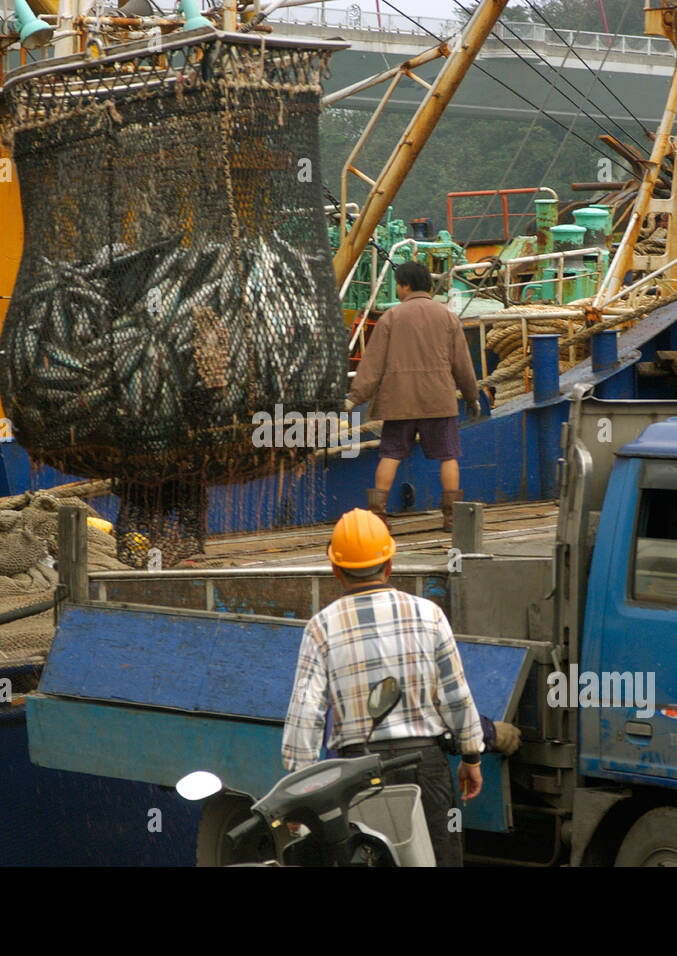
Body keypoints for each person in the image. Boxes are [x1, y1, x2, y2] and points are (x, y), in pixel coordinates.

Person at [281, 508, 485, 866]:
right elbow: (456, 694)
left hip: (356, 775)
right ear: (389, 564)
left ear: (335, 570)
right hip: (427, 768)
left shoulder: (321, 628)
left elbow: (307, 713)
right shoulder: (430, 615)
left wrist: (298, 792)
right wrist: (471, 755)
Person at [346, 260, 481, 531]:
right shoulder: (447, 317)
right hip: (439, 401)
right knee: (448, 455)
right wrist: (471, 395)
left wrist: (354, 398)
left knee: (391, 454)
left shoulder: (391, 318)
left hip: (399, 402)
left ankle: (378, 515)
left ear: (405, 285)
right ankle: (451, 518)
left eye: (397, 284)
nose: (396, 288)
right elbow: (462, 364)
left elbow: (372, 364)